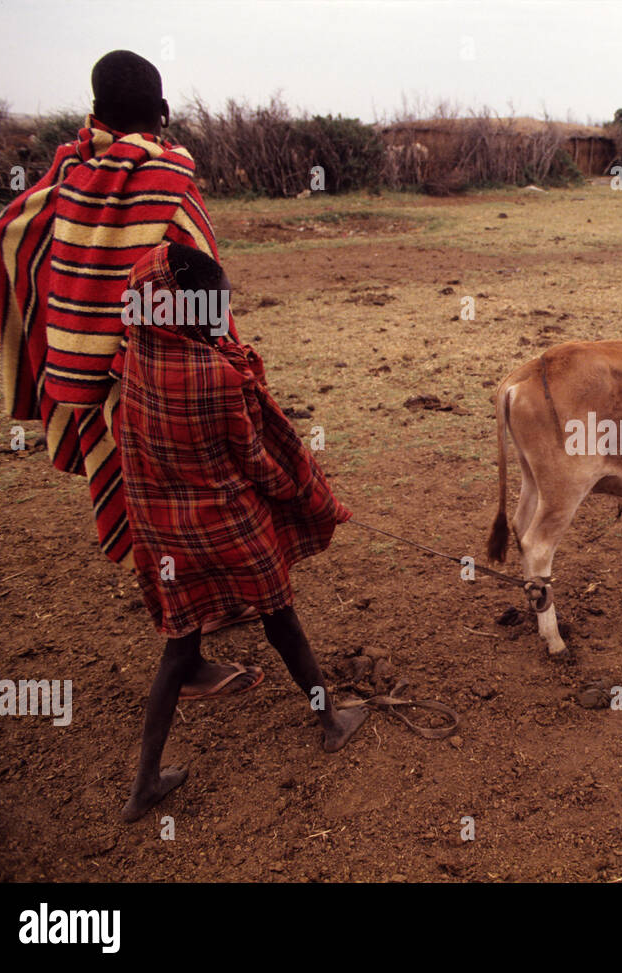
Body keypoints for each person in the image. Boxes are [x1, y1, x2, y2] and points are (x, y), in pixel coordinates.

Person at [0, 50, 261, 695]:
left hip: (89, 391)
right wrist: (229, 374)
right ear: (163, 113)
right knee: (184, 505)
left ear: (93, 111)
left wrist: (61, 342)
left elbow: (10, 233)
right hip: (155, 388)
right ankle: (187, 651)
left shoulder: (66, 179)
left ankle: (204, 619)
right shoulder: (168, 187)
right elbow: (206, 292)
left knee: (147, 510)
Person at [116, 243, 365, 821]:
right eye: (213, 305)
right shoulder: (218, 375)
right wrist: (309, 493)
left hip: (167, 533)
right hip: (228, 527)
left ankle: (143, 786)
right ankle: (331, 721)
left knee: (179, 649)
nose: (219, 316)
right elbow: (257, 462)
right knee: (282, 621)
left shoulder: (138, 355)